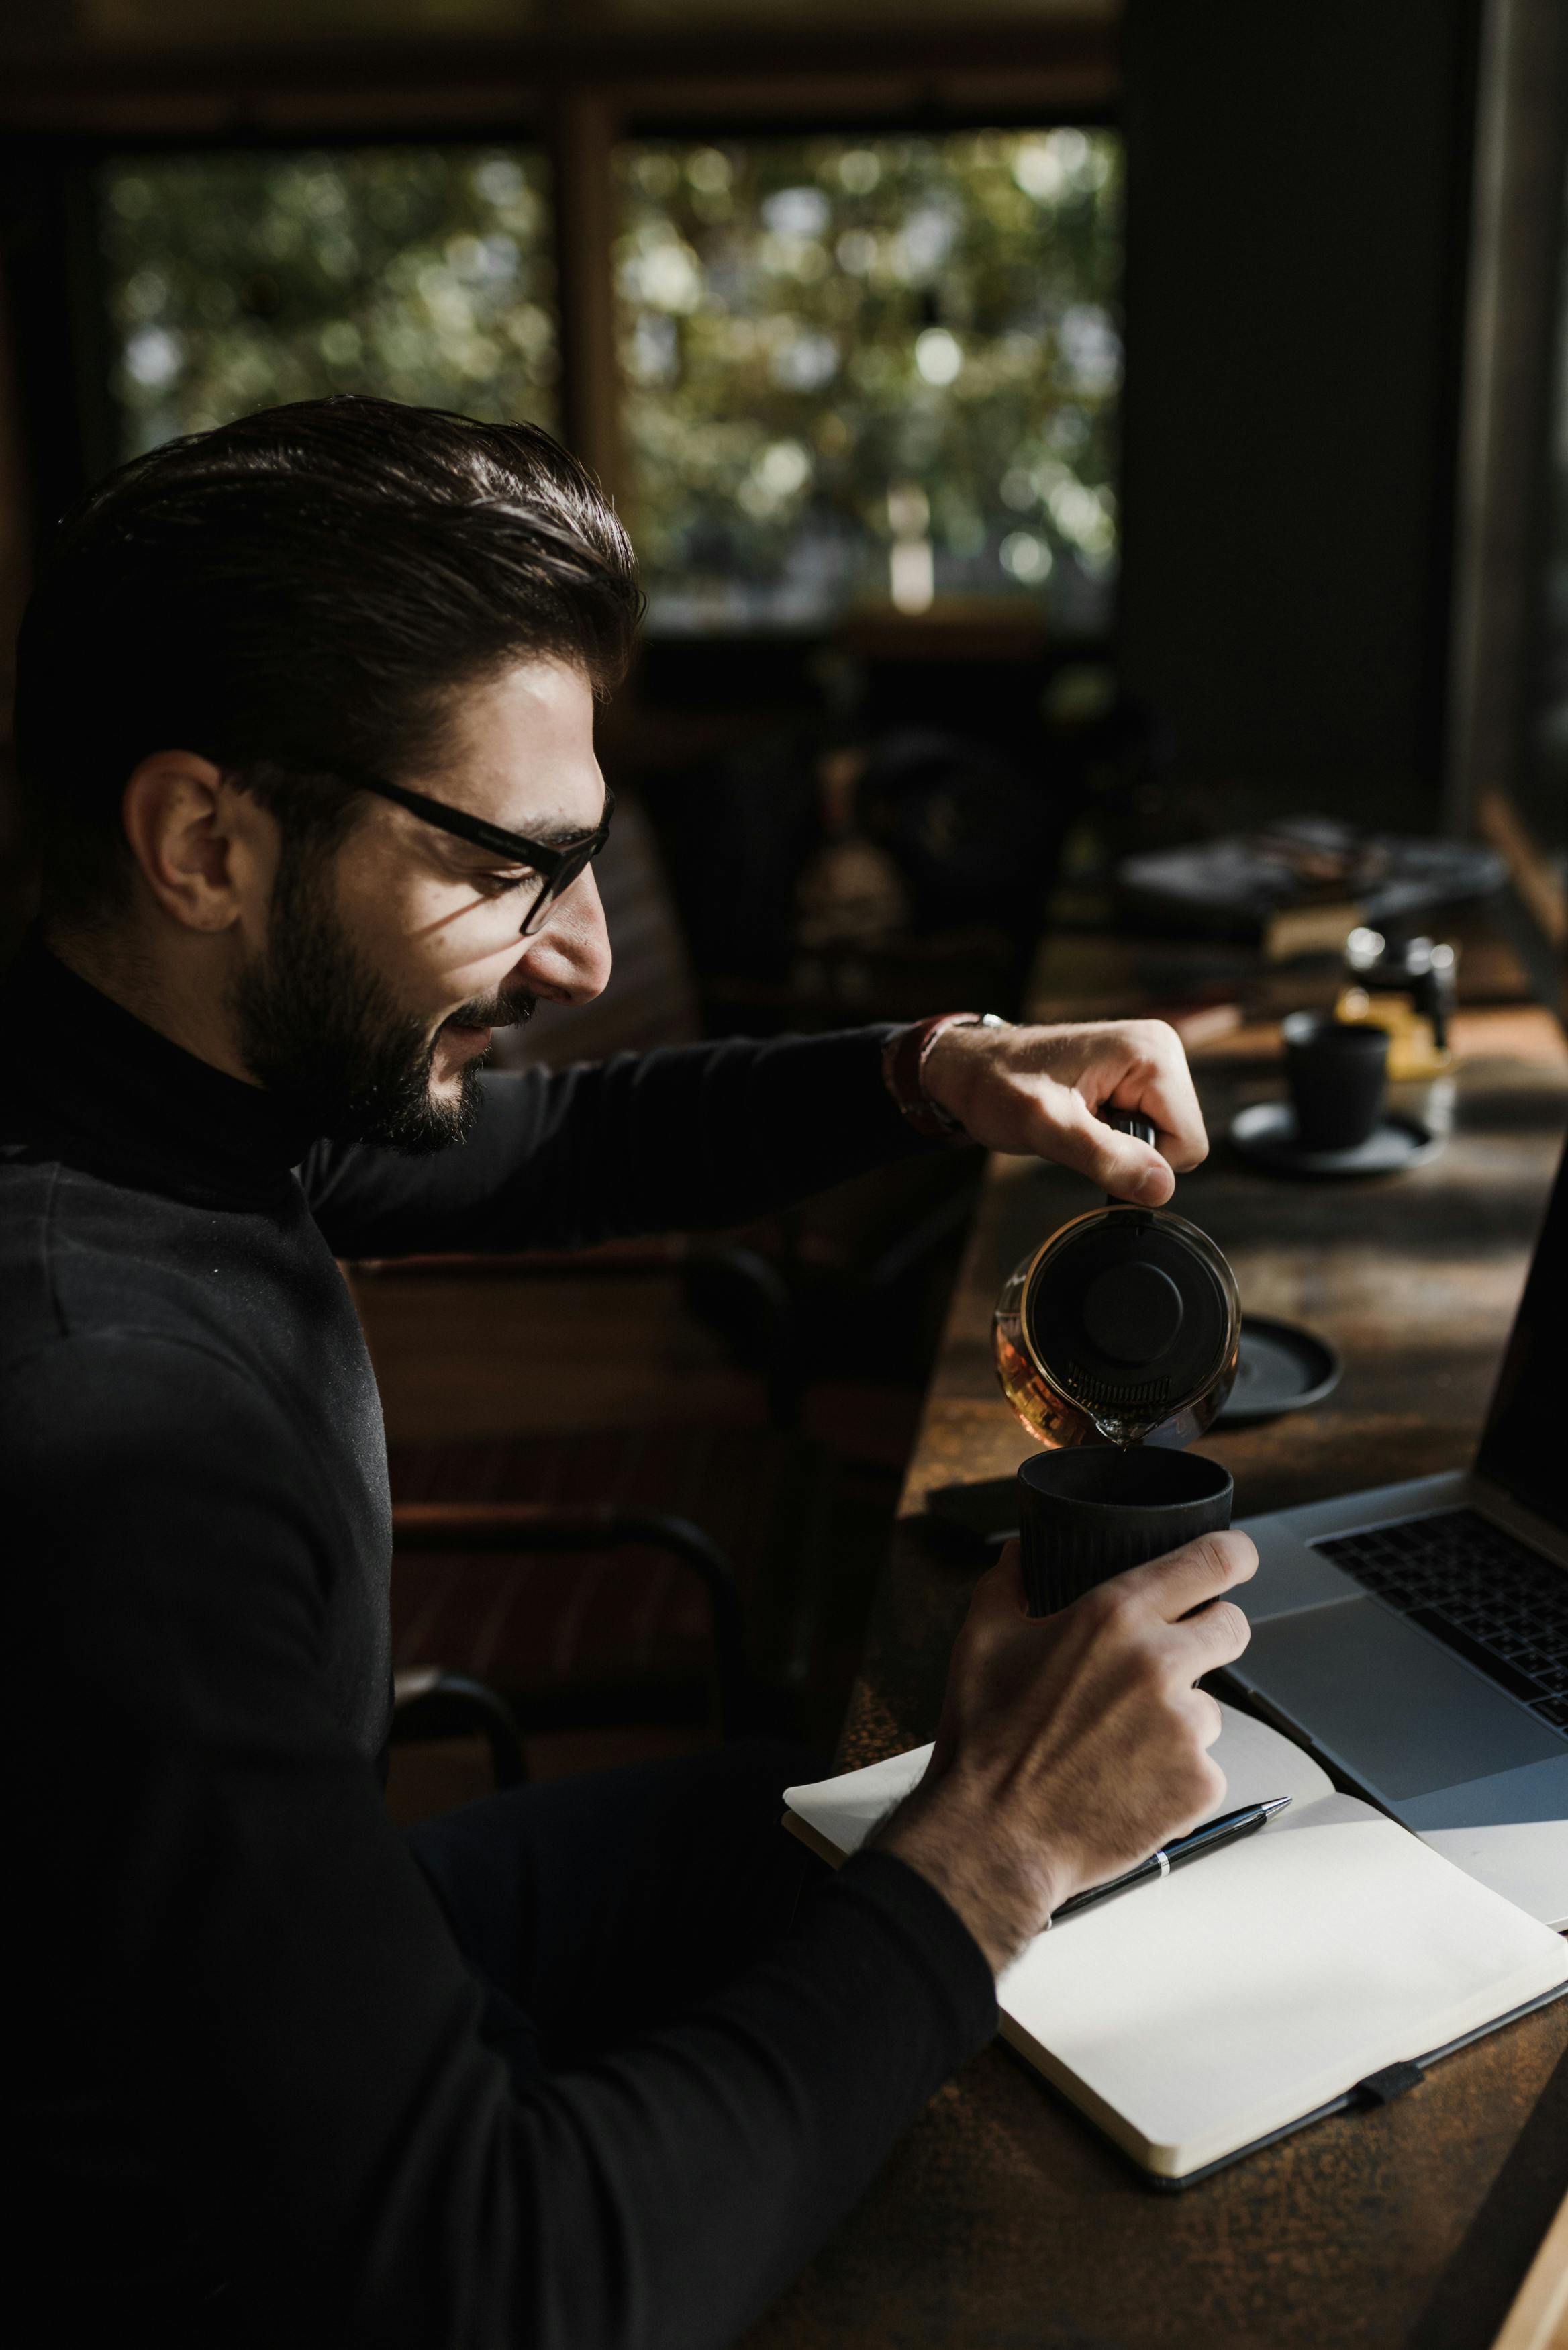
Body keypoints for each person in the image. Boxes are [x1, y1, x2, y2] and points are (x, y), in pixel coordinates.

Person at [1, 397, 1255, 2349]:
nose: (581, 954)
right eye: (518, 863)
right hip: (166, 2256)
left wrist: (933, 1065)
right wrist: (992, 1850)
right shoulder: (117, 1444)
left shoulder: (147, 1076)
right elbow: (502, 2289)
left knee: (826, 1806)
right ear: (204, 842)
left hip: (231, 1980)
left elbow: (560, 1146)